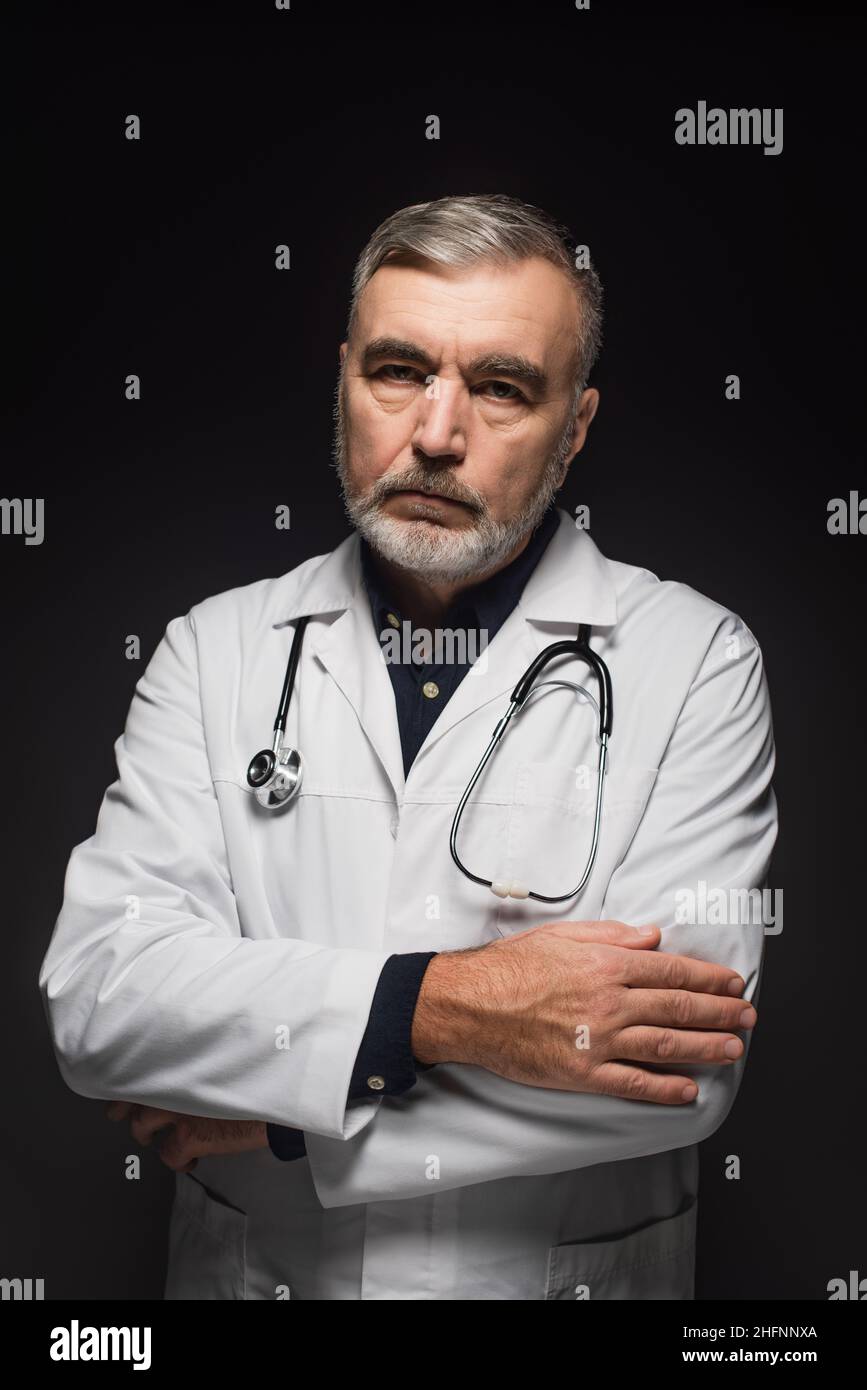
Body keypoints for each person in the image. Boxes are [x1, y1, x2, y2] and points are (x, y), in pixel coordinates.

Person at [39, 194, 776, 1300]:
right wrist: (446, 1011)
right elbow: (104, 1001)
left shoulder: (697, 659)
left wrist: (287, 1115)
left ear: (575, 427)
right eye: (398, 371)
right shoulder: (214, 650)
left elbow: (675, 1067)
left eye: (501, 387)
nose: (436, 434)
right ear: (344, 382)